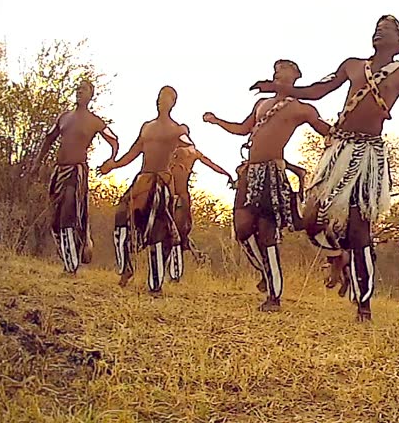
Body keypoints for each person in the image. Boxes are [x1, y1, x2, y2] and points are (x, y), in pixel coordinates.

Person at [252, 15, 399, 321]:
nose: (380, 31)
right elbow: (315, 90)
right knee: (311, 218)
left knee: (359, 227)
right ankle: (339, 257)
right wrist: (277, 88)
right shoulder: (352, 65)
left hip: (368, 155)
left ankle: (363, 305)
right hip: (338, 150)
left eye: (388, 29)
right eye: (377, 28)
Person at [203, 59, 331, 311]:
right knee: (241, 229)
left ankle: (274, 297)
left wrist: (343, 131)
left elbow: (325, 129)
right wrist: (217, 121)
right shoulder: (261, 104)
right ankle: (265, 272)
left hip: (272, 173)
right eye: (275, 73)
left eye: (283, 74)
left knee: (267, 232)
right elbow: (243, 129)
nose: (277, 77)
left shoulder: (301, 109)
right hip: (250, 173)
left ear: (295, 78)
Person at [100, 86, 191, 293]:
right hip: (142, 181)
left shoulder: (177, 129)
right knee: (122, 217)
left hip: (161, 183)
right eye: (159, 98)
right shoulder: (146, 127)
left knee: (159, 229)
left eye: (166, 99)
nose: (161, 102)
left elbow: (188, 145)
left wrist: (185, 144)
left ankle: (155, 284)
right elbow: (133, 152)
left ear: (173, 103)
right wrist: (113, 165)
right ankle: (126, 267)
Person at [31, 80, 119, 274]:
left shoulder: (95, 121)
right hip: (59, 171)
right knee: (55, 219)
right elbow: (48, 139)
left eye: (84, 89)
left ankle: (71, 266)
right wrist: (37, 164)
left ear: (91, 96)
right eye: (77, 88)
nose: (79, 91)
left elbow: (113, 140)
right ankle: (73, 255)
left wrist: (110, 161)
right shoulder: (64, 117)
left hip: (76, 172)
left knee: (69, 214)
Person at [167, 142, 235, 281]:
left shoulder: (178, 151)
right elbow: (211, 164)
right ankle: (180, 263)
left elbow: (210, 164)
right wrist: (226, 174)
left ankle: (176, 271)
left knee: (177, 232)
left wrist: (226, 174)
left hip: (175, 196)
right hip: (177, 195)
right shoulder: (192, 153)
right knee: (178, 232)